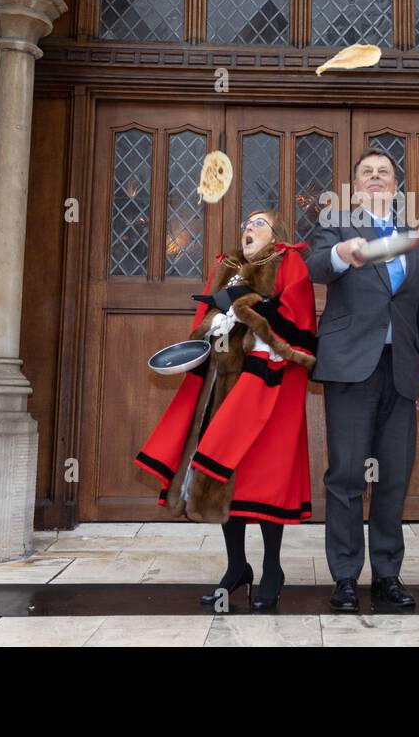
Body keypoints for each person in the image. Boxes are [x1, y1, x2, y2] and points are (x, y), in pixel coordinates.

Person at [134, 208, 317, 612]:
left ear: (278, 235)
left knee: (266, 475)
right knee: (223, 471)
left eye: (259, 224)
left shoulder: (289, 263)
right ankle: (237, 567)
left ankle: (272, 569)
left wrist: (249, 309)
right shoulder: (228, 267)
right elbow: (201, 324)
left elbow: (299, 326)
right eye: (246, 225)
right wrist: (217, 321)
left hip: (268, 386)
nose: (248, 229)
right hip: (222, 384)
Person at [306, 148, 419, 612]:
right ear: (356, 186)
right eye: (368, 173)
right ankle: (344, 577)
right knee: (345, 477)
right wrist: (343, 253)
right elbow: (315, 266)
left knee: (394, 477)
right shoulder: (336, 223)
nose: (377, 178)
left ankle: (387, 575)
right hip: (350, 367)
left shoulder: (412, 238)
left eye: (385, 173)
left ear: (396, 187)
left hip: (401, 370)